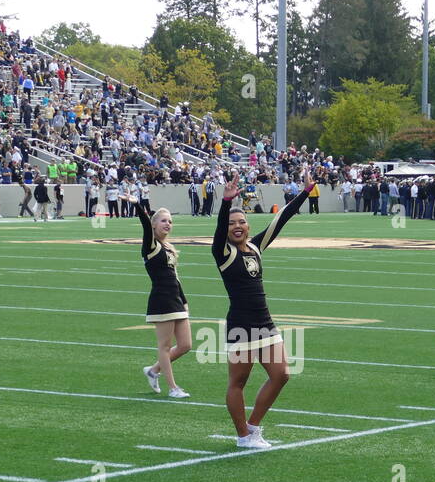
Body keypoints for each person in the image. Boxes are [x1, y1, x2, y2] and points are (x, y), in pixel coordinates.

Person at [213, 174, 311, 448]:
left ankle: (253, 427)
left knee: (281, 375)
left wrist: (305, 192)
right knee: (238, 382)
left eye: (242, 221)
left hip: (265, 322)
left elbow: (280, 220)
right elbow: (220, 229)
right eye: (233, 223)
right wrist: (226, 202)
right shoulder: (223, 253)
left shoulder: (255, 247)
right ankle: (243, 436)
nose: (237, 226)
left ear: (248, 224)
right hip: (241, 325)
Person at [132, 196, 191, 399]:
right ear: (154, 224)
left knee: (185, 345)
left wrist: (184, 300)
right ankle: (173, 388)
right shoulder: (150, 246)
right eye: (164, 220)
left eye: (170, 221)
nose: (168, 224)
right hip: (161, 300)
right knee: (165, 346)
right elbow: (146, 228)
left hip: (175, 299)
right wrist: (137, 205)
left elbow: (175, 277)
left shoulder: (168, 248)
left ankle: (153, 370)